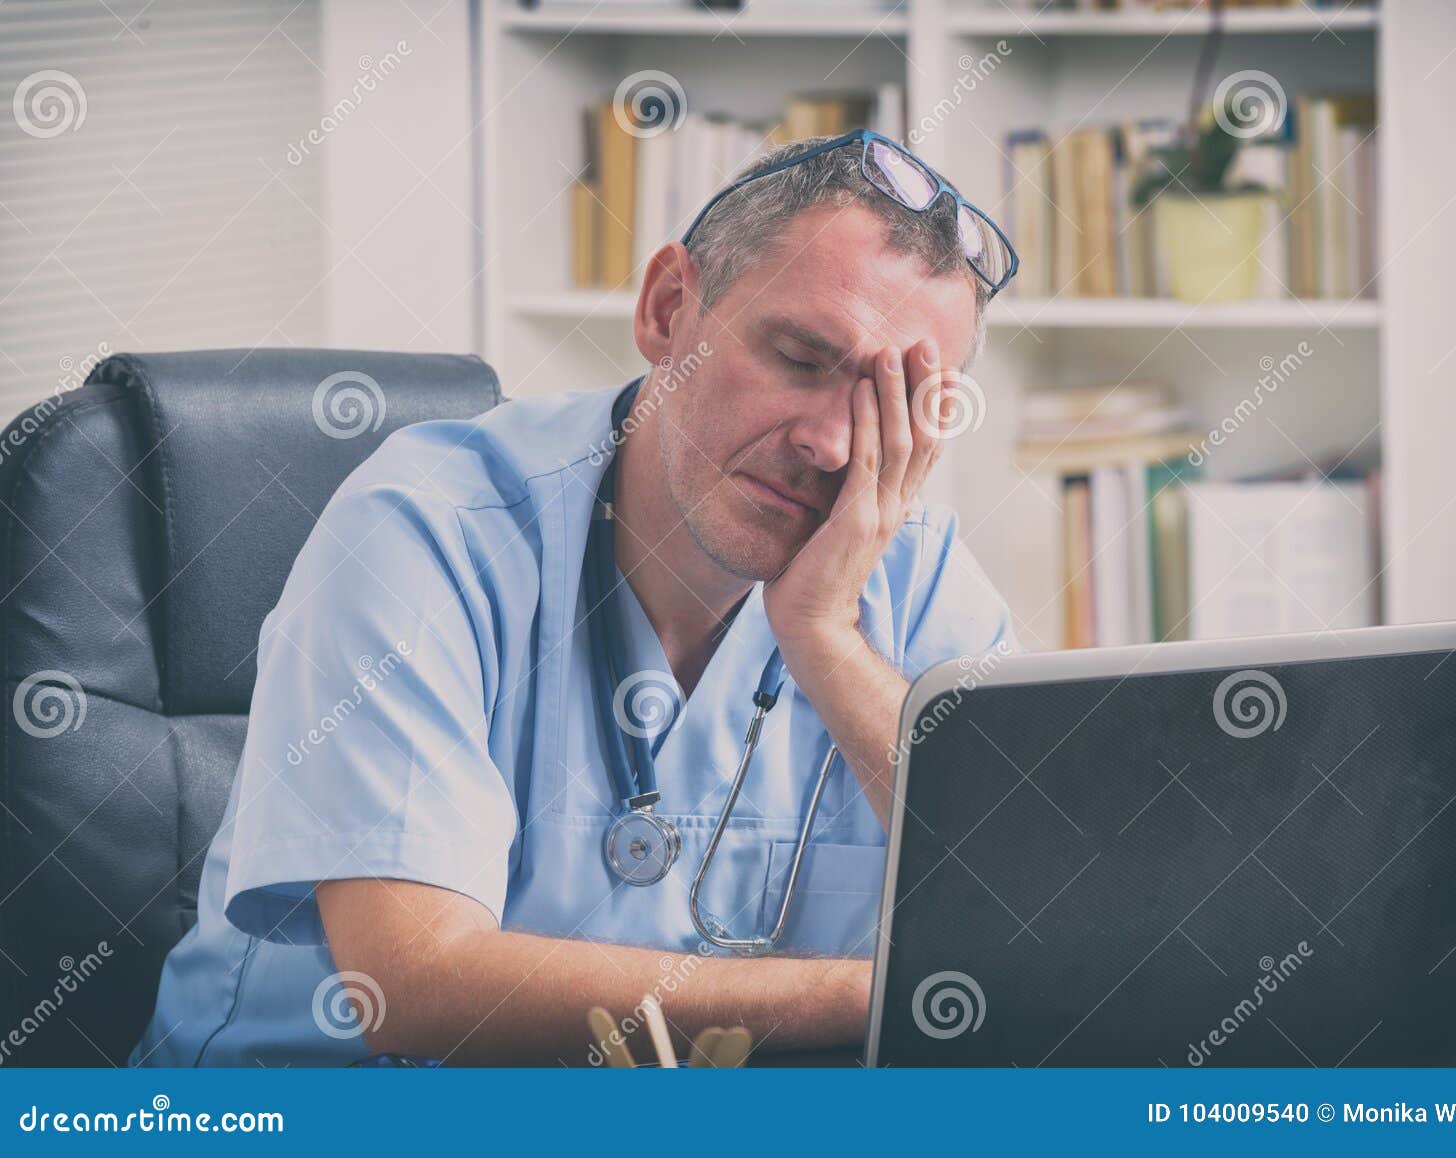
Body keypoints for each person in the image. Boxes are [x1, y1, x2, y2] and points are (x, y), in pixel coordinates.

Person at [131, 130, 1020, 1066]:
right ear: (669, 308)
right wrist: (877, 996)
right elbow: (411, 985)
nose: (837, 446)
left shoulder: (912, 574)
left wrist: (825, 638)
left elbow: (1048, 925)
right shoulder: (427, 527)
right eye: (800, 358)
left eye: (895, 402)